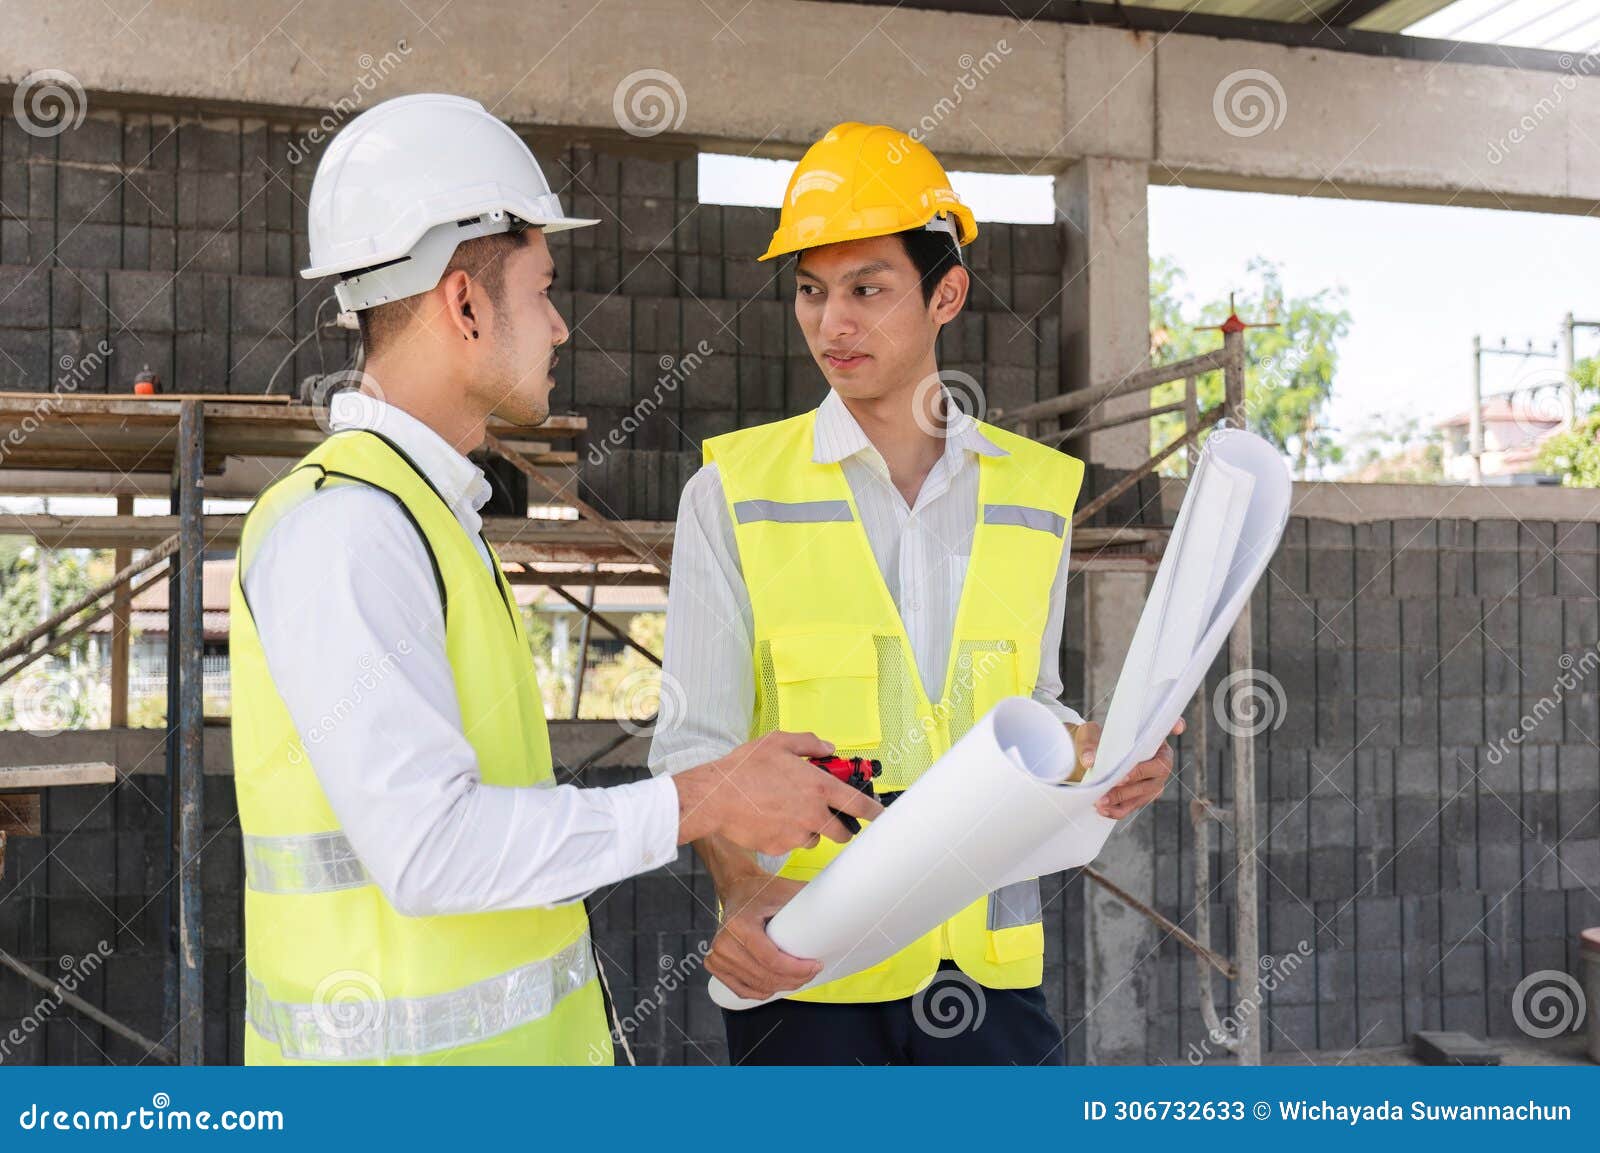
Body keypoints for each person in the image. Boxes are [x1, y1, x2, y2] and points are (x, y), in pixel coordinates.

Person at [229, 94, 880, 1066]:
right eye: (541, 290)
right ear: (462, 303)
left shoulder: (421, 517)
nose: (561, 327)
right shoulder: (348, 528)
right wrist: (703, 798)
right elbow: (431, 851)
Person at [648, 122, 1179, 1065]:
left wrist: (1103, 760)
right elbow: (695, 747)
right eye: (810, 291)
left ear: (947, 293)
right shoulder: (730, 493)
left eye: (867, 289)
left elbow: (1030, 705)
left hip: (985, 970)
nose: (831, 324)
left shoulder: (1033, 495)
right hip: (805, 960)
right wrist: (737, 889)